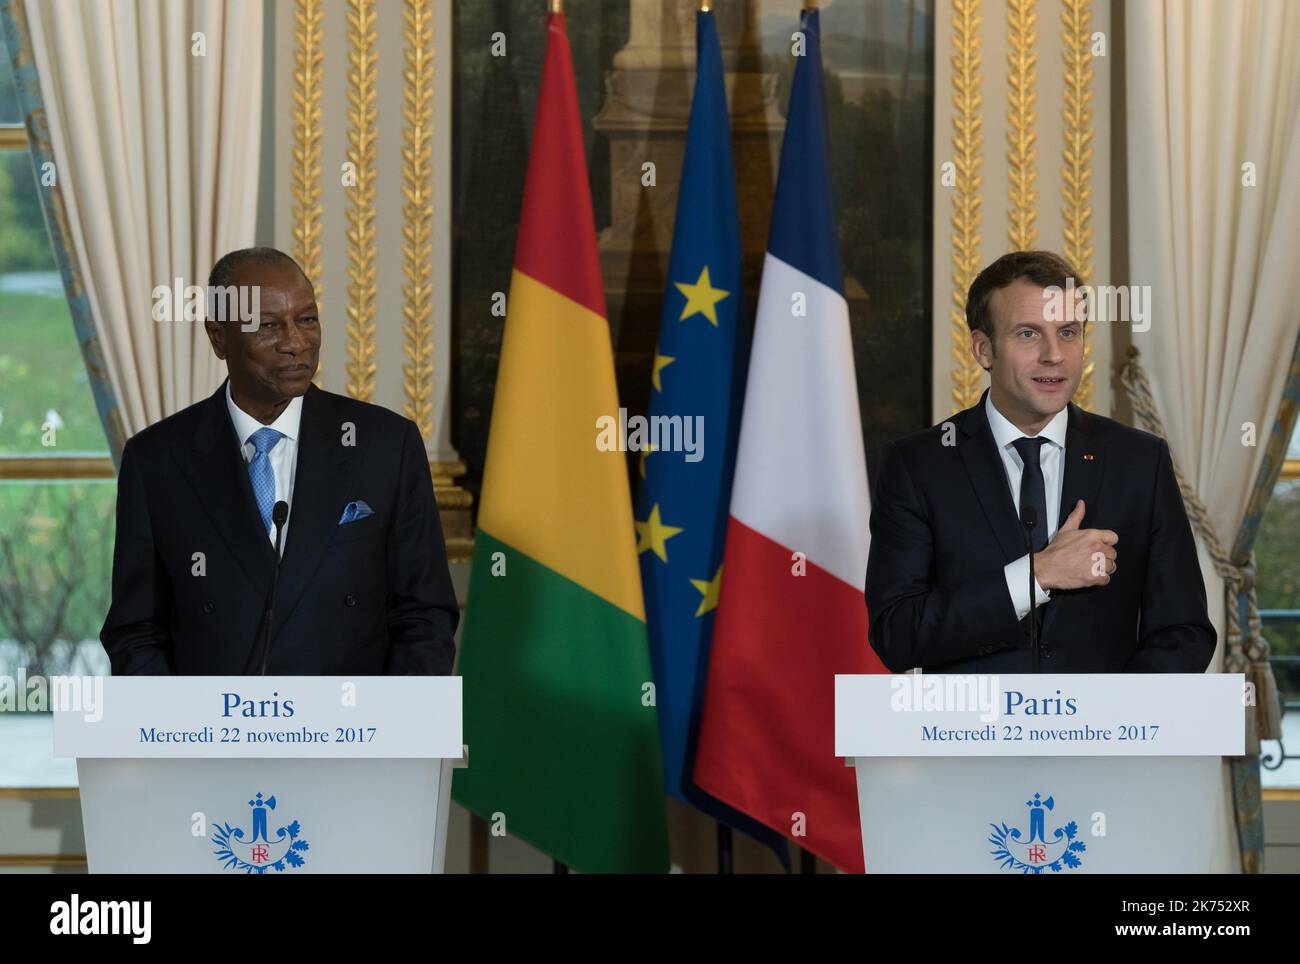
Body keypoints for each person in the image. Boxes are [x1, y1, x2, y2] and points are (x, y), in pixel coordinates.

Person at [101, 247, 458, 675]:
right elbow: (136, 631)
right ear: (218, 337)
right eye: (268, 326)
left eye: (307, 320)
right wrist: (177, 733)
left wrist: (394, 731)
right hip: (211, 734)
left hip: (352, 731)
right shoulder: (156, 459)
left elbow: (425, 616)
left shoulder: (385, 445)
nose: (295, 343)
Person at [865, 249, 1215, 673]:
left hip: (1106, 735)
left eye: (1068, 332)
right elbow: (898, 635)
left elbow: (1184, 632)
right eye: (1029, 334)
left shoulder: (1140, 460)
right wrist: (1036, 575)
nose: (1054, 355)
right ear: (983, 349)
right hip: (970, 735)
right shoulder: (918, 465)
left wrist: (1116, 725)